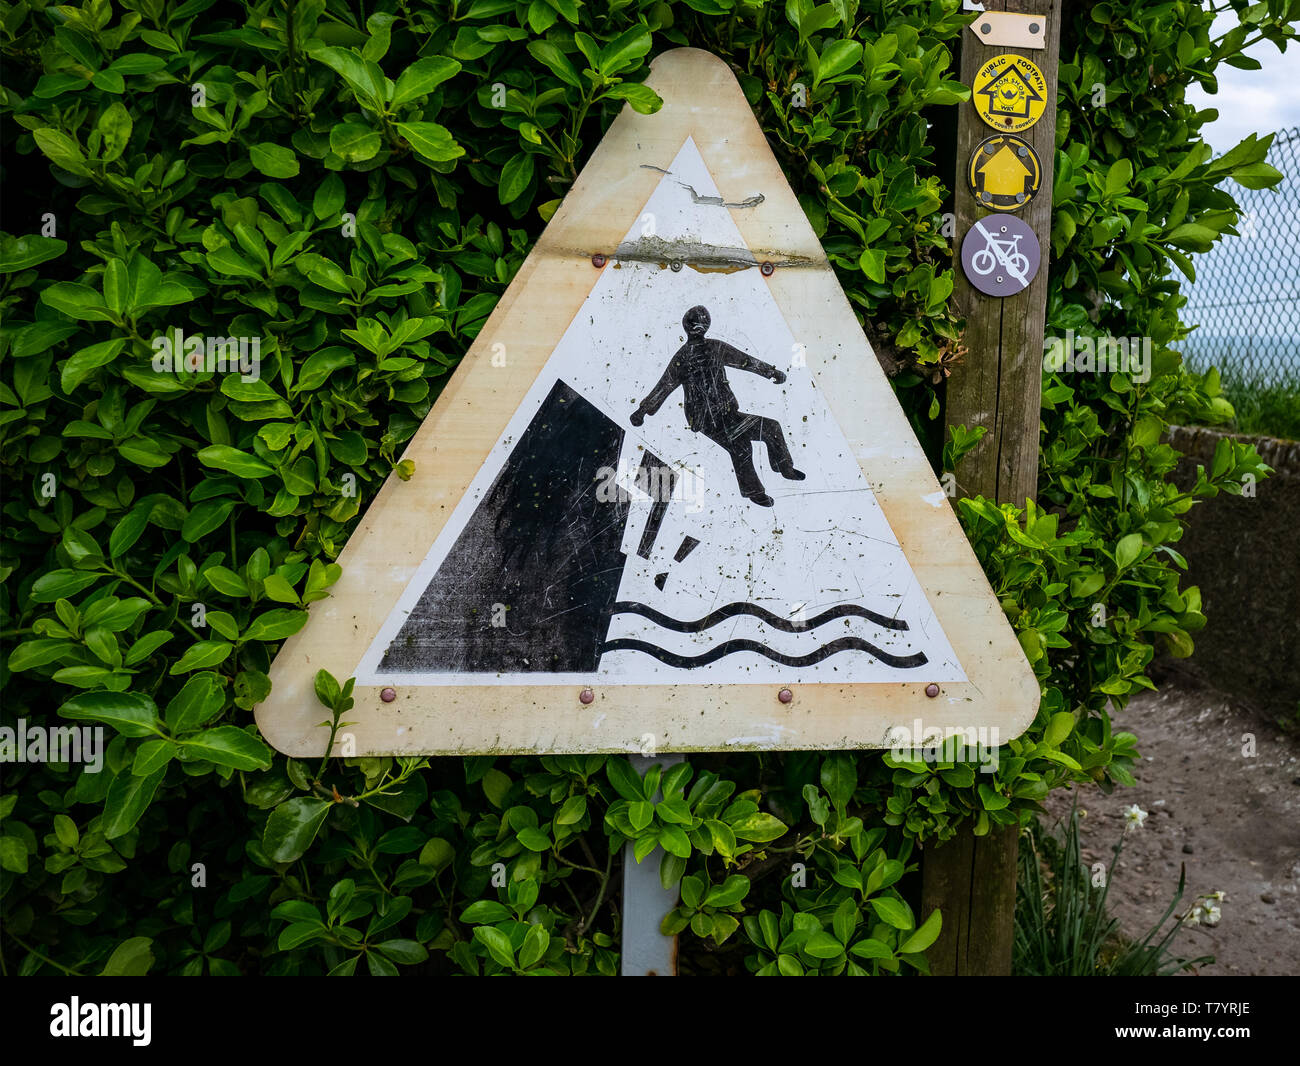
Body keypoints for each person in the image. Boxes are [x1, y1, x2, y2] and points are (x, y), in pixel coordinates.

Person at [631, 305, 804, 507]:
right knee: (740, 446)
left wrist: (770, 372)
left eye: (701, 325)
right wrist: (642, 411)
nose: (698, 329)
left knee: (771, 427)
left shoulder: (716, 348)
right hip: (705, 420)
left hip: (729, 413)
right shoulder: (682, 358)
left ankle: (783, 467)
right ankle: (753, 491)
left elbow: (745, 361)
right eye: (695, 325)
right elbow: (663, 387)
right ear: (688, 327)